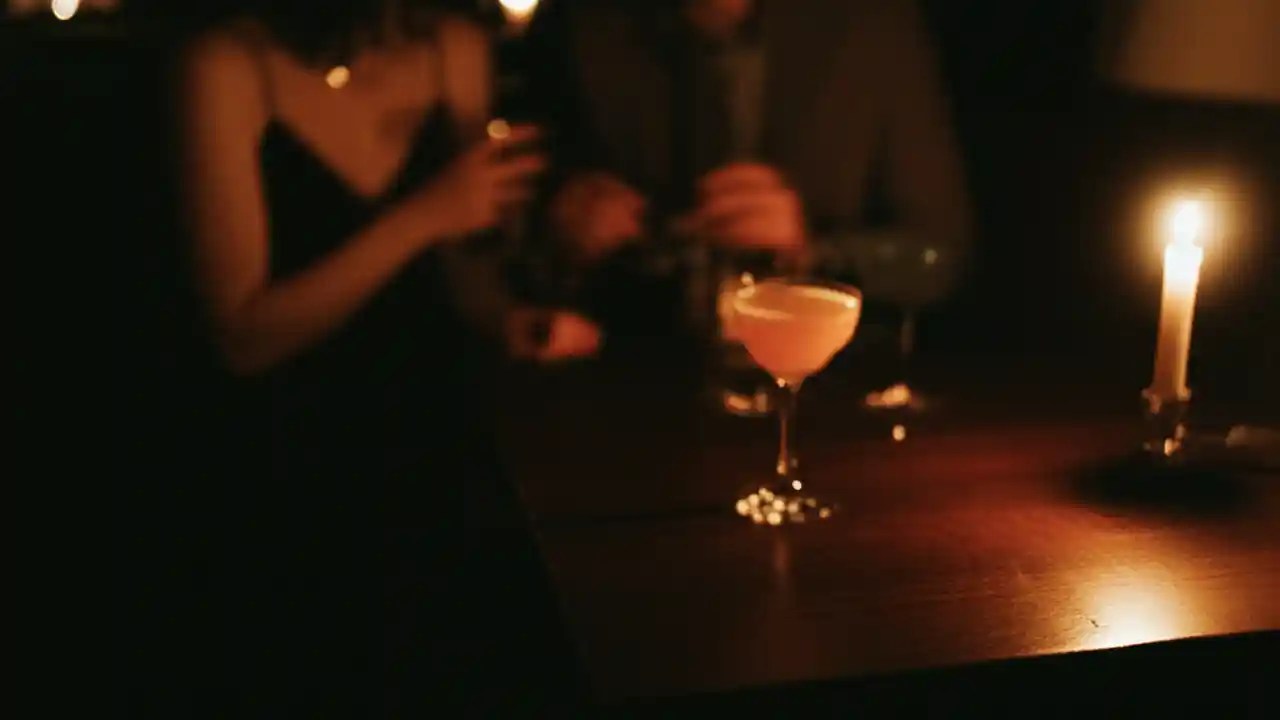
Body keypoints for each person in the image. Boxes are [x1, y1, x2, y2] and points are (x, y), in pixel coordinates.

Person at [178, 1, 587, 713]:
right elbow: (241, 337)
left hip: (429, 424)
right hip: (286, 447)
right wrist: (424, 213)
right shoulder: (225, 64)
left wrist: (506, 318)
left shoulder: (452, 45)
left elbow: (465, 268)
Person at [526, 0, 971, 340]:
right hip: (629, 384)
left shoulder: (871, 27)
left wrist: (812, 253)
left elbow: (941, 256)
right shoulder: (582, 27)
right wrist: (564, 225)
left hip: (828, 393)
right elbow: (507, 248)